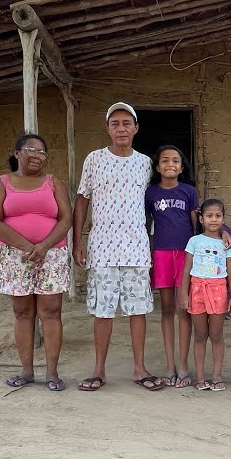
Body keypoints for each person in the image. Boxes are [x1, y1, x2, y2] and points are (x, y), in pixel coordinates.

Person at [72, 102, 165, 392]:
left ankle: (139, 369)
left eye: (126, 123)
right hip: (102, 247)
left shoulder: (145, 163)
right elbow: (83, 199)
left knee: (138, 310)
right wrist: (77, 240)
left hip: (136, 247)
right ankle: (98, 370)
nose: (121, 128)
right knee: (104, 310)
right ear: (108, 129)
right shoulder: (94, 160)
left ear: (136, 128)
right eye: (115, 123)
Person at [0, 133, 73, 391]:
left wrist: (43, 246)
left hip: (52, 253)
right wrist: (27, 247)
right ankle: (26, 371)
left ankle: (52, 373)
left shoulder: (53, 183)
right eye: (31, 150)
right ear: (17, 153)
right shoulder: (2, 183)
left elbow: (66, 219)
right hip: (14, 256)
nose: (37, 156)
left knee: (51, 312)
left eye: (42, 152)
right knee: (23, 313)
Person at [145, 145, 200, 388]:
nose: (170, 164)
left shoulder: (189, 192)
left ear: (181, 166)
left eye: (176, 160)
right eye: (165, 160)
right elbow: (145, 226)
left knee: (183, 309)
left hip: (186, 255)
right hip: (162, 255)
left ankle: (183, 365)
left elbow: (198, 226)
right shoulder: (150, 193)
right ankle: (169, 364)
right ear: (157, 167)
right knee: (167, 310)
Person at [179, 199, 231, 392]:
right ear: (201, 219)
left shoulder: (227, 243)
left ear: (223, 218)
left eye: (218, 216)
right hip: (196, 290)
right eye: (209, 216)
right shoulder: (194, 241)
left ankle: (217, 376)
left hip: (219, 290)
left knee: (216, 334)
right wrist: (183, 294)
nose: (214, 220)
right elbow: (187, 268)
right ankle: (201, 377)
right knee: (200, 335)